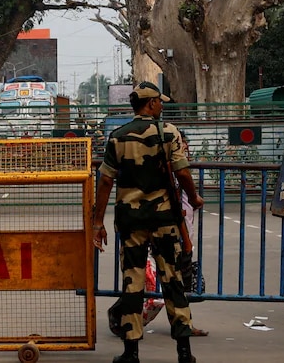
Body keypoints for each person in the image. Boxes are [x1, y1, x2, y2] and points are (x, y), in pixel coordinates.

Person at [92, 81, 204, 363]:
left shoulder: (117, 137)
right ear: (150, 104)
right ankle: (184, 352)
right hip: (164, 220)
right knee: (173, 282)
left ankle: (130, 352)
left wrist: (97, 221)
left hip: (130, 221)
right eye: (159, 102)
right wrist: (195, 197)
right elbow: (183, 173)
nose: (162, 106)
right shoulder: (168, 133)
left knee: (133, 283)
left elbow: (105, 180)